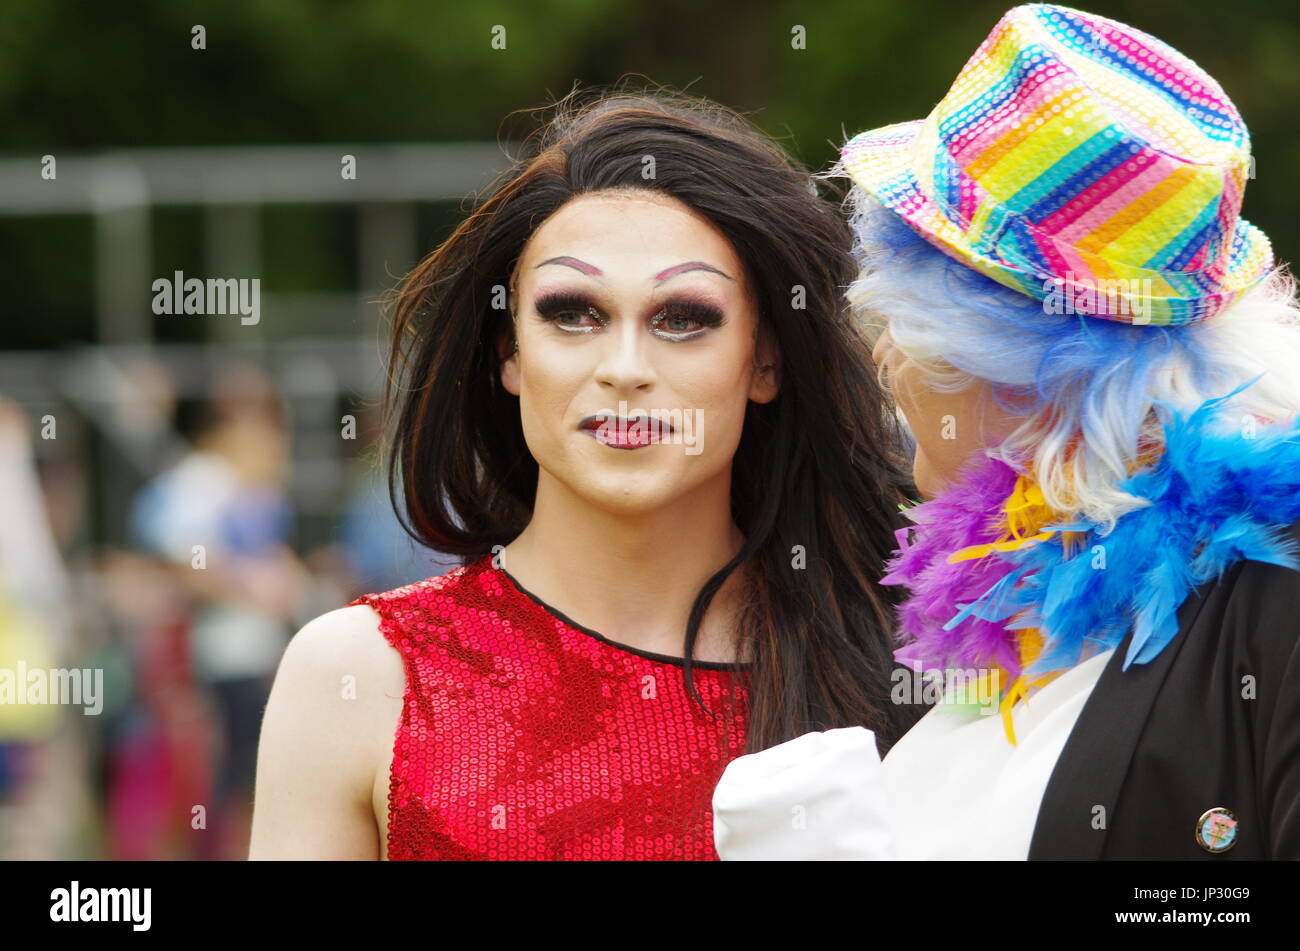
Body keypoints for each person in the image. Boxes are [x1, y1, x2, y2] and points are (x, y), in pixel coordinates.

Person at [250, 83, 924, 860]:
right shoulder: (358, 677)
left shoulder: (909, 656)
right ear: (508, 352)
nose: (625, 368)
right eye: (573, 313)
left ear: (764, 359)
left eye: (683, 319)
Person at [713, 3, 1300, 860]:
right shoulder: (996, 605)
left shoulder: (1272, 610)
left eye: (904, 326)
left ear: (1025, 373)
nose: (883, 362)